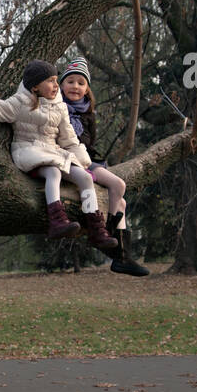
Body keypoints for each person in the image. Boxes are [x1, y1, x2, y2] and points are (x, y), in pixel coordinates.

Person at [0, 60, 118, 252]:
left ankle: (96, 229)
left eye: (57, 80)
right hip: (29, 150)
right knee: (53, 173)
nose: (56, 86)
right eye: (50, 81)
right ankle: (57, 219)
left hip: (54, 151)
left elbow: (70, 139)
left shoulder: (60, 106)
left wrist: (83, 164)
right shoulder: (18, 103)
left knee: (84, 178)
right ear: (35, 86)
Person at [58, 58, 149, 277]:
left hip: (87, 160)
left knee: (119, 189)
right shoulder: (56, 108)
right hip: (66, 161)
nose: (75, 87)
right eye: (70, 81)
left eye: (81, 83)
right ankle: (116, 248)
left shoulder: (88, 114)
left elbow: (90, 145)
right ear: (61, 85)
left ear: (87, 89)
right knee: (121, 196)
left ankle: (120, 254)